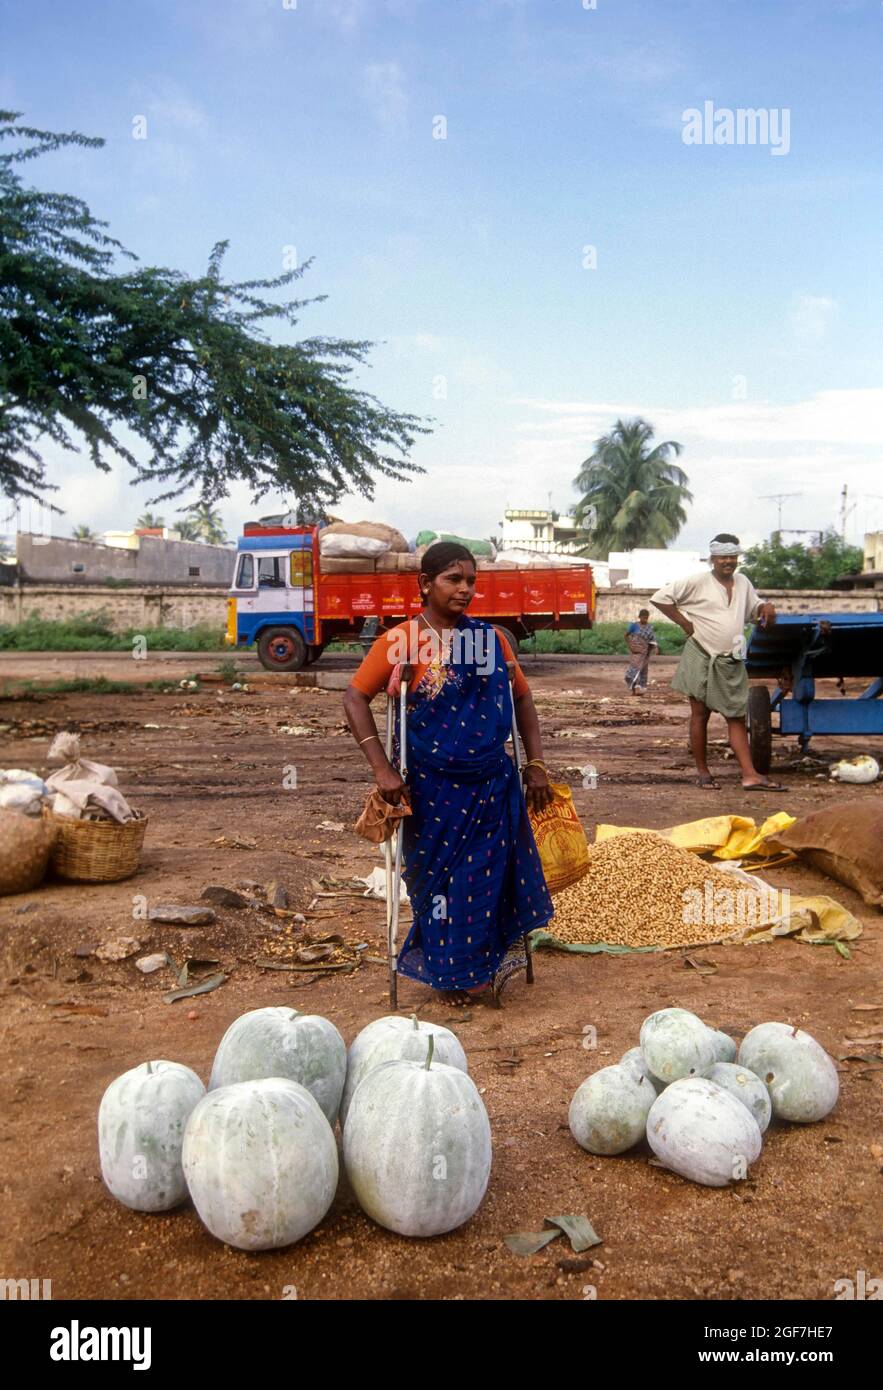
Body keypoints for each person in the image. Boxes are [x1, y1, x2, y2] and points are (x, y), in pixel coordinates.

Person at [342, 540, 555, 1005]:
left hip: (493, 783)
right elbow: (354, 698)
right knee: (442, 881)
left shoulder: (491, 640)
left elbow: (522, 698)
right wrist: (381, 769)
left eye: (471, 581)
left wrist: (535, 763)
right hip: (434, 789)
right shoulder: (401, 642)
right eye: (453, 580)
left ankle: (481, 966)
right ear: (425, 584)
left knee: (489, 876)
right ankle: (451, 973)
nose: (465, 590)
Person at [650, 533, 784, 791]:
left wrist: (766, 606)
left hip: (732, 658)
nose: (728, 561)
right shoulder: (698, 581)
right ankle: (703, 773)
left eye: (733, 557)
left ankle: (749, 775)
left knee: (736, 716)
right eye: (723, 557)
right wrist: (684, 623)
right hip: (702, 655)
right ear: (713, 558)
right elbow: (660, 598)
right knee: (700, 715)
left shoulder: (743, 582)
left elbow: (754, 609)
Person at [624, 608, 658, 694]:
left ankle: (640, 688)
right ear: (639, 617)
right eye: (643, 617)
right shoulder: (634, 626)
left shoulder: (650, 627)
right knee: (634, 669)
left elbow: (652, 640)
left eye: (646, 618)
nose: (645, 619)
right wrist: (630, 645)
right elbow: (626, 635)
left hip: (645, 653)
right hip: (635, 652)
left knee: (643, 670)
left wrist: (655, 648)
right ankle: (634, 687)